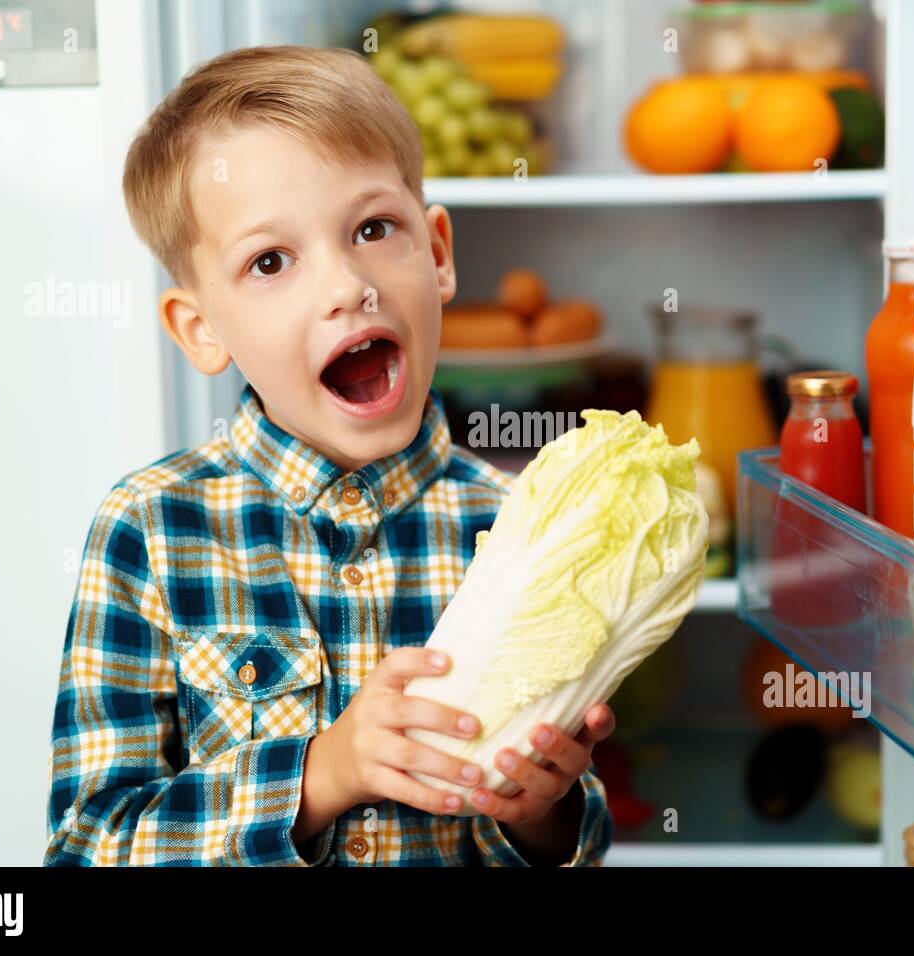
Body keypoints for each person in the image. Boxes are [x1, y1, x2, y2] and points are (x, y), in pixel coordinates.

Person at [43, 46, 614, 866]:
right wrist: (322, 772)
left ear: (439, 252)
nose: (347, 284)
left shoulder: (519, 524)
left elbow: (578, 841)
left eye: (373, 229)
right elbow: (85, 844)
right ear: (201, 329)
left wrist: (545, 813)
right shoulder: (150, 529)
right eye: (271, 261)